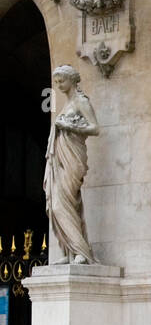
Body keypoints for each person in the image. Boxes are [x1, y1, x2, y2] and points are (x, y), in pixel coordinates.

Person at [43, 65, 99, 265]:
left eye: (61, 81)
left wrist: (69, 125)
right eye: (56, 82)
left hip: (74, 158)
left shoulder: (81, 101)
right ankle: (70, 252)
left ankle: (81, 252)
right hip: (60, 157)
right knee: (61, 204)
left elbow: (95, 127)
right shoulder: (67, 103)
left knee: (62, 204)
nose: (58, 85)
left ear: (72, 80)